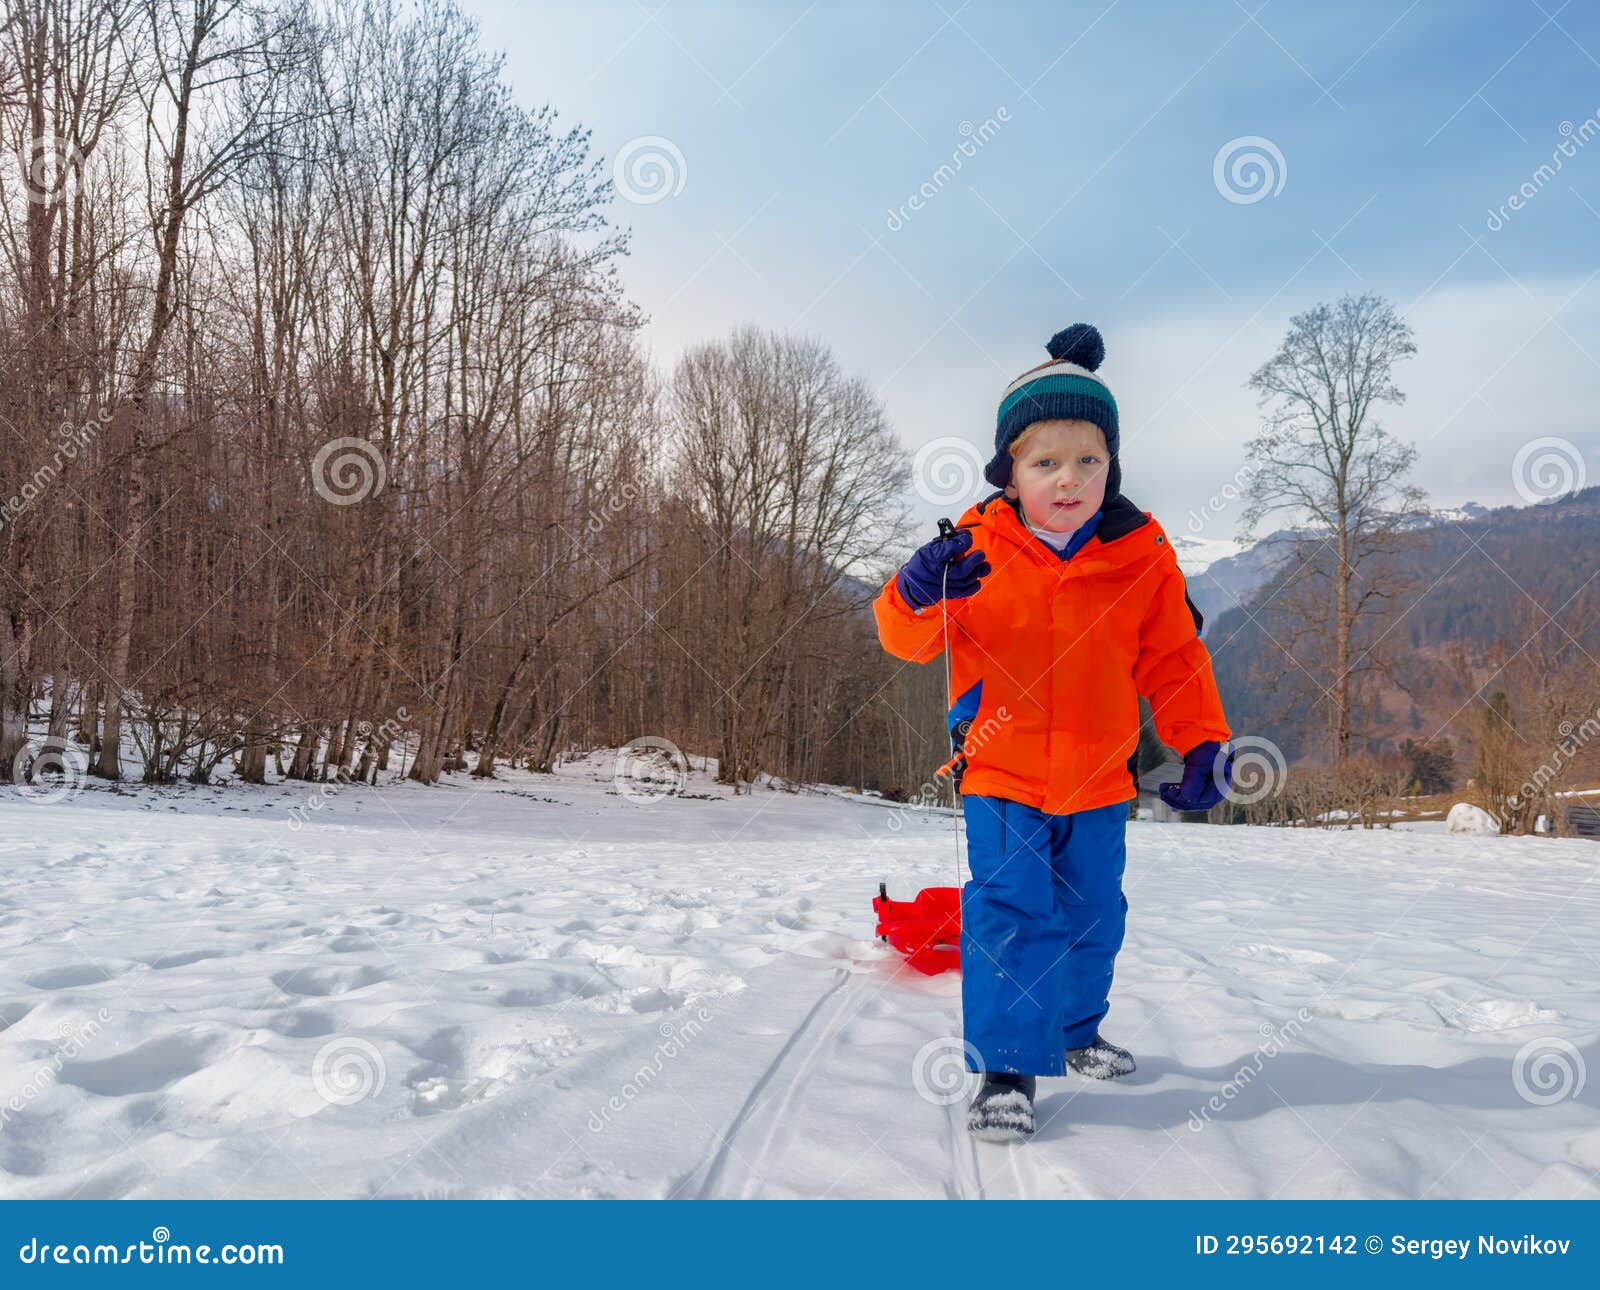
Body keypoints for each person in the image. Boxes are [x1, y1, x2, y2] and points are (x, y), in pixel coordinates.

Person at [873, 322, 1234, 1142]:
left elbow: (1173, 656)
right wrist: (918, 587)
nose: (1069, 480)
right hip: (999, 771)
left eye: (1089, 460)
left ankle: (1075, 1029)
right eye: (1045, 463)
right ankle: (1006, 1068)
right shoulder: (973, 549)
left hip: (1101, 776)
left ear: (1113, 465)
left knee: (1095, 914)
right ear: (1009, 472)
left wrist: (1203, 740)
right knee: (1010, 911)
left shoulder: (1139, 553)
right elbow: (905, 637)